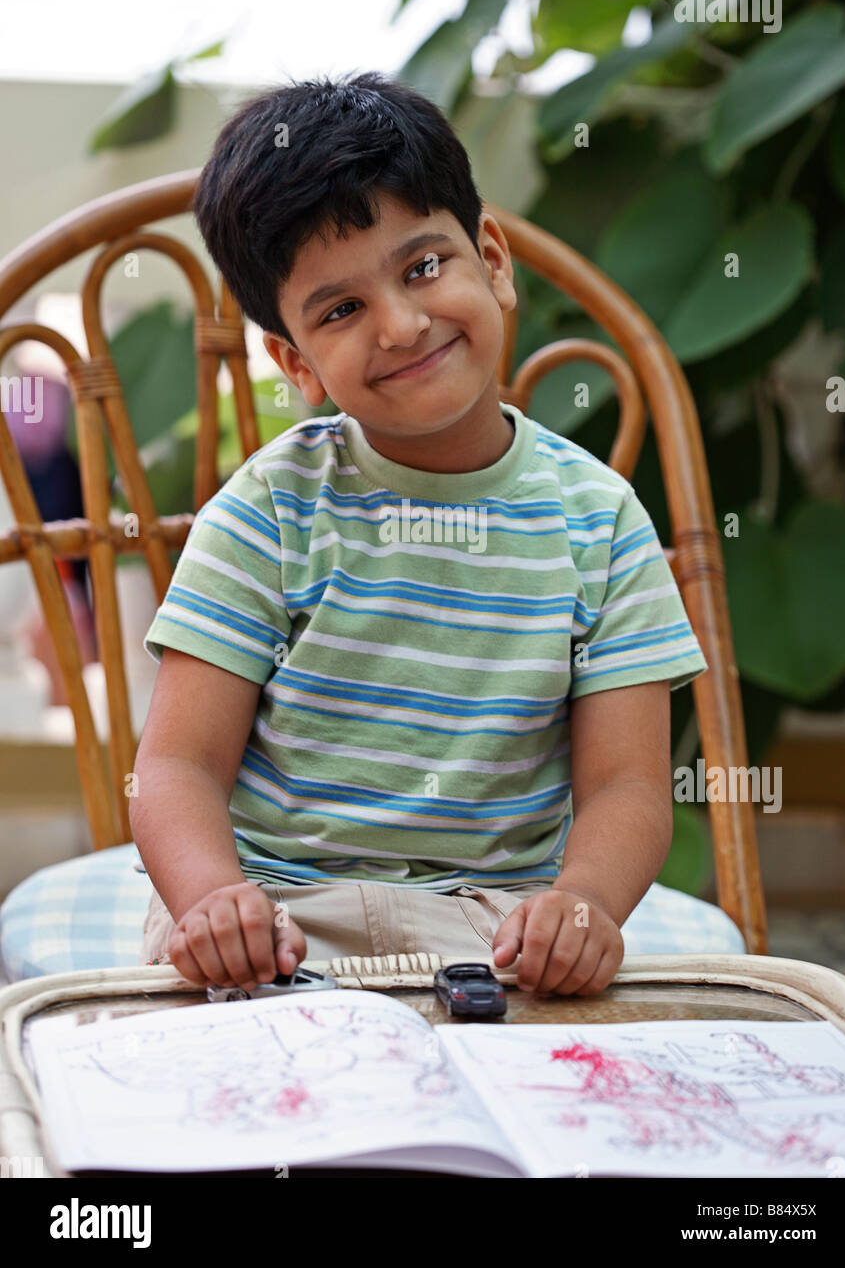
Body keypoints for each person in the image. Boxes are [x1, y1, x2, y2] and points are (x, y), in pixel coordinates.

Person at [132, 71, 708, 997]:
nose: (401, 325)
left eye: (424, 267)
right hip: (277, 917)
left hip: (499, 927)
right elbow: (176, 767)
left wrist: (584, 903)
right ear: (296, 362)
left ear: (493, 260)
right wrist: (211, 901)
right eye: (341, 310)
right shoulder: (268, 510)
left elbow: (627, 790)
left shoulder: (598, 521)